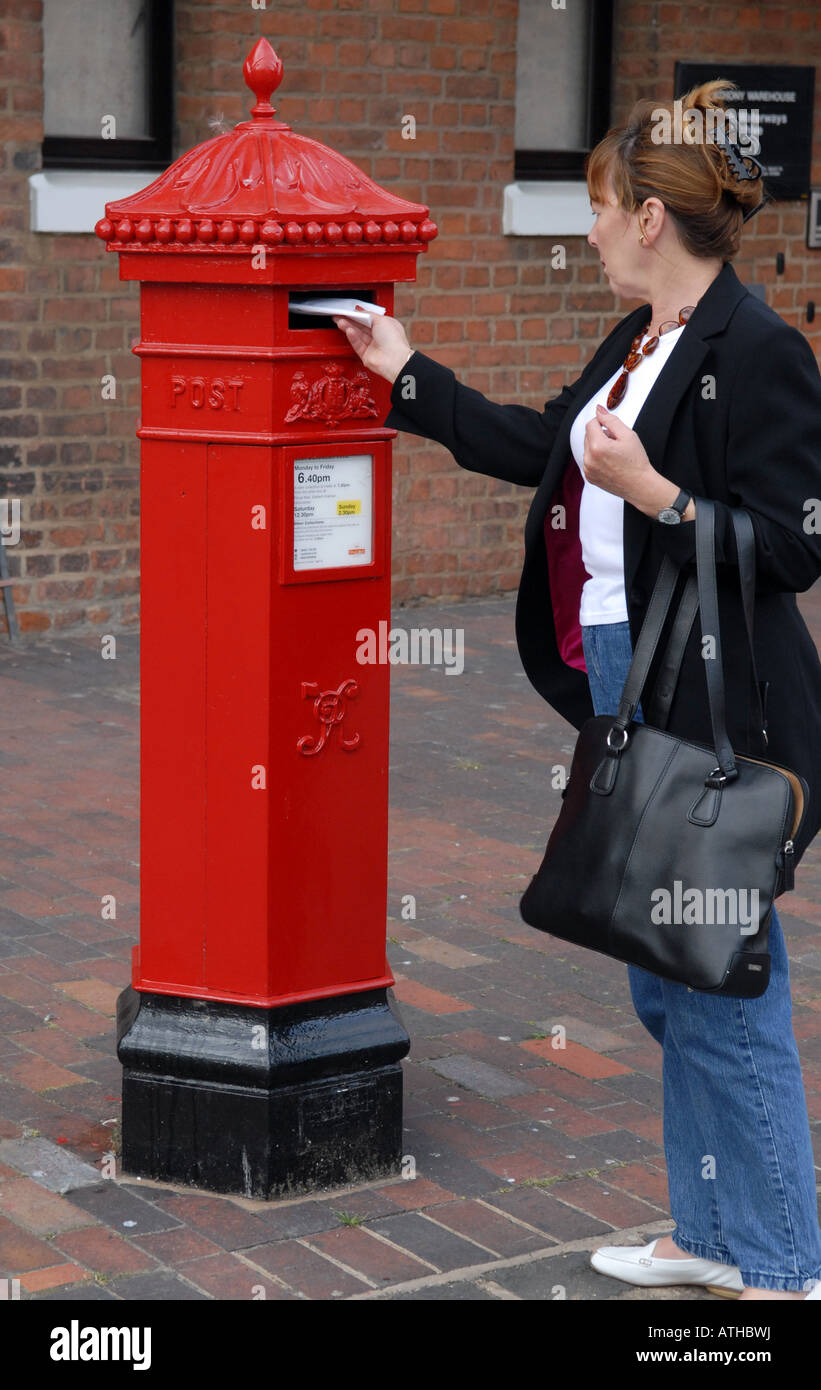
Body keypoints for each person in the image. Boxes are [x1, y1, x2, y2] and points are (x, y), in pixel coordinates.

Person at [332, 79, 821, 1301]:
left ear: (651, 217)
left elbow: (794, 544)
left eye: (600, 208)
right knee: (665, 978)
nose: (587, 230)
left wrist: (657, 493)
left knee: (722, 978)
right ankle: (711, 1231)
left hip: (715, 707)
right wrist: (406, 374)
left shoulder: (757, 352)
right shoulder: (639, 340)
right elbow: (537, 444)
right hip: (621, 678)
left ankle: (782, 1262)